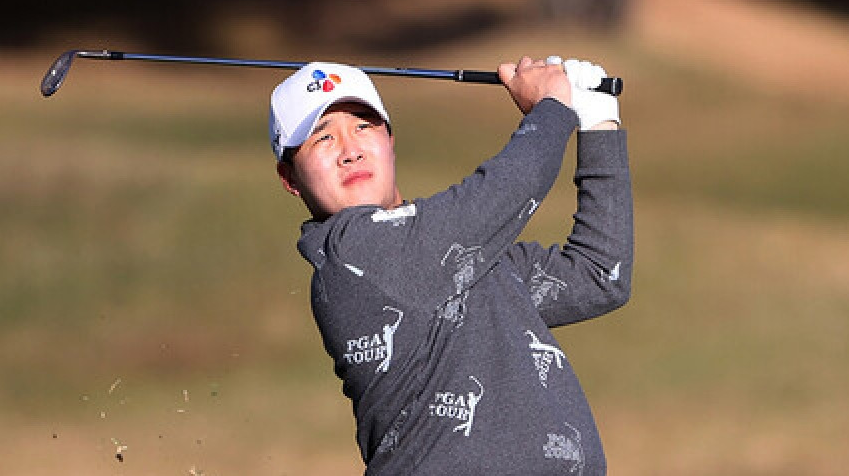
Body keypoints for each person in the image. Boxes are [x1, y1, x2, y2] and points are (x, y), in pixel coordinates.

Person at [269, 55, 634, 475]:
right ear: (290, 178)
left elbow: (600, 275)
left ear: (390, 140)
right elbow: (498, 196)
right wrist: (551, 106)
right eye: (322, 138)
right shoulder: (350, 254)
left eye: (363, 126)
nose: (350, 150)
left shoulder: (462, 259)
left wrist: (599, 123)